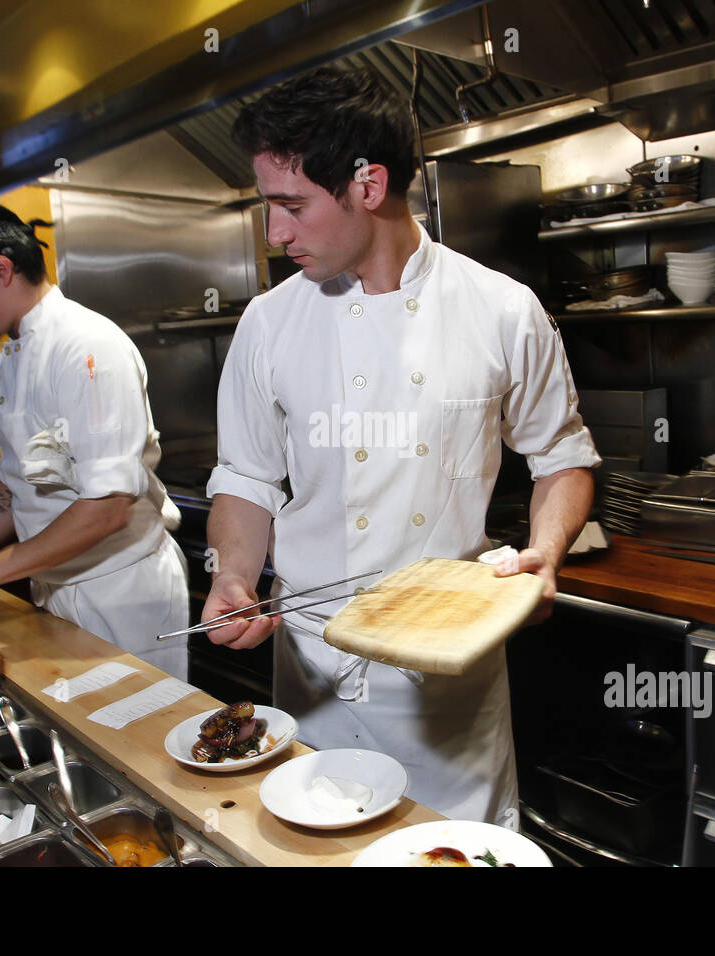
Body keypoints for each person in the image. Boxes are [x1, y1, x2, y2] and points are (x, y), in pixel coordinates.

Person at [200, 66, 600, 825]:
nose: (275, 233)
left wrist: (545, 554)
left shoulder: (501, 309)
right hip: (312, 679)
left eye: (291, 206)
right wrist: (233, 575)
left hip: (446, 691)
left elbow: (562, 459)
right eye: (268, 207)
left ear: (369, 185)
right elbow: (246, 477)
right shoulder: (267, 322)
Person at [0, 197, 188, 677]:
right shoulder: (9, 360)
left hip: (121, 589)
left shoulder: (87, 346)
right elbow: (15, 485)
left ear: (0, 269)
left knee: (134, 741)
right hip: (51, 581)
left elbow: (106, 506)